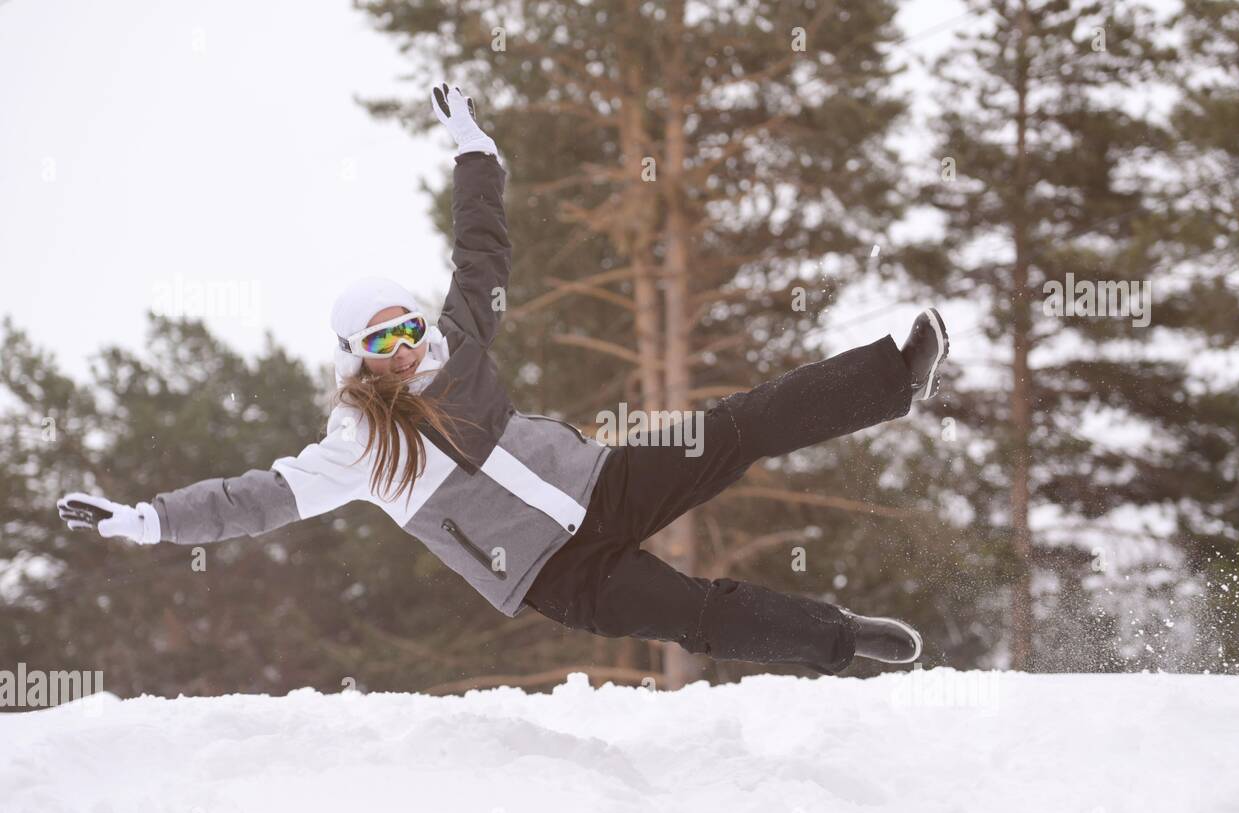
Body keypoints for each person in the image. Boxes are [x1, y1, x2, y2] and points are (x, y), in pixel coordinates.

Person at [57, 83, 951, 678]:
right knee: (694, 612)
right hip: (549, 574)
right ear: (354, 359)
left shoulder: (458, 346)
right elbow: (253, 500)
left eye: (405, 326)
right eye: (381, 342)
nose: (404, 348)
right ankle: (844, 642)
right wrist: (149, 520)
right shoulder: (359, 448)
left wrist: (472, 149)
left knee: (740, 425)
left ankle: (892, 381)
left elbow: (482, 246)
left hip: (605, 480)